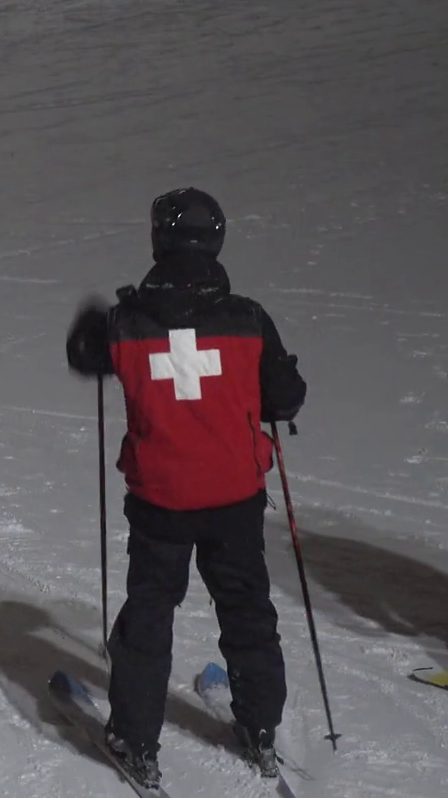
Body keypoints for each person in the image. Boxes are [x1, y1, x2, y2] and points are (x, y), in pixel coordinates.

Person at [65, 188, 306, 789]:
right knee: (247, 610)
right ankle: (260, 725)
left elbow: (85, 356)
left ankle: (135, 736)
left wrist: (92, 322)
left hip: (161, 500)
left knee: (149, 614)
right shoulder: (247, 318)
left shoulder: (126, 322)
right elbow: (285, 399)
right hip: (234, 499)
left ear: (158, 241)